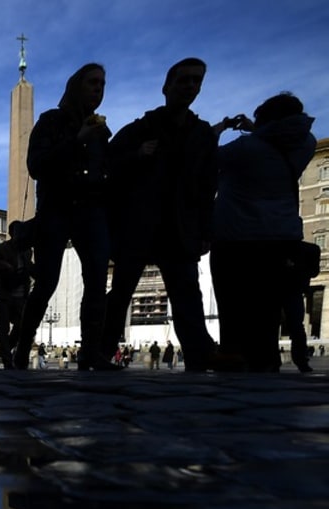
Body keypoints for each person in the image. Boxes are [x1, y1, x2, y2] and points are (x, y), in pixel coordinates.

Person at [101, 58, 219, 372]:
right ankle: (102, 352)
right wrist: (137, 156)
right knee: (122, 292)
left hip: (180, 226)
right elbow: (107, 167)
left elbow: (208, 187)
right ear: (167, 87)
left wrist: (205, 230)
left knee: (187, 295)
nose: (190, 86)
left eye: (196, 81)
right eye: (184, 80)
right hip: (138, 225)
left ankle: (197, 354)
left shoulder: (203, 134)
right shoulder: (140, 129)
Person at [13, 63, 120, 371]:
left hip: (92, 210)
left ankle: (91, 352)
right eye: (92, 83)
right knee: (46, 283)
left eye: (102, 83)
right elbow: (36, 165)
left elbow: (108, 170)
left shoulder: (102, 131)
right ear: (76, 87)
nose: (98, 89)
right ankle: (22, 346)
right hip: (57, 209)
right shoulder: (51, 121)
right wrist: (77, 140)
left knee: (97, 281)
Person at [209, 92, 317, 372]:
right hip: (281, 236)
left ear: (268, 120)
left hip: (236, 235)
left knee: (233, 300)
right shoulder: (306, 144)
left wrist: (221, 127)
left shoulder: (246, 148)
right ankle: (266, 360)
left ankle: (233, 354)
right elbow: (277, 141)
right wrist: (258, 129)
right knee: (268, 307)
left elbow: (206, 156)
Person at [0, 219, 35, 369]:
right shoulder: (2, 249)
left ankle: (5, 350)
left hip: (21, 295)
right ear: (11, 233)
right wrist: (3, 265)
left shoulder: (27, 250)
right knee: (3, 327)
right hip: (4, 294)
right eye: (18, 232)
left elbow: (29, 266)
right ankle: (7, 359)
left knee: (22, 326)